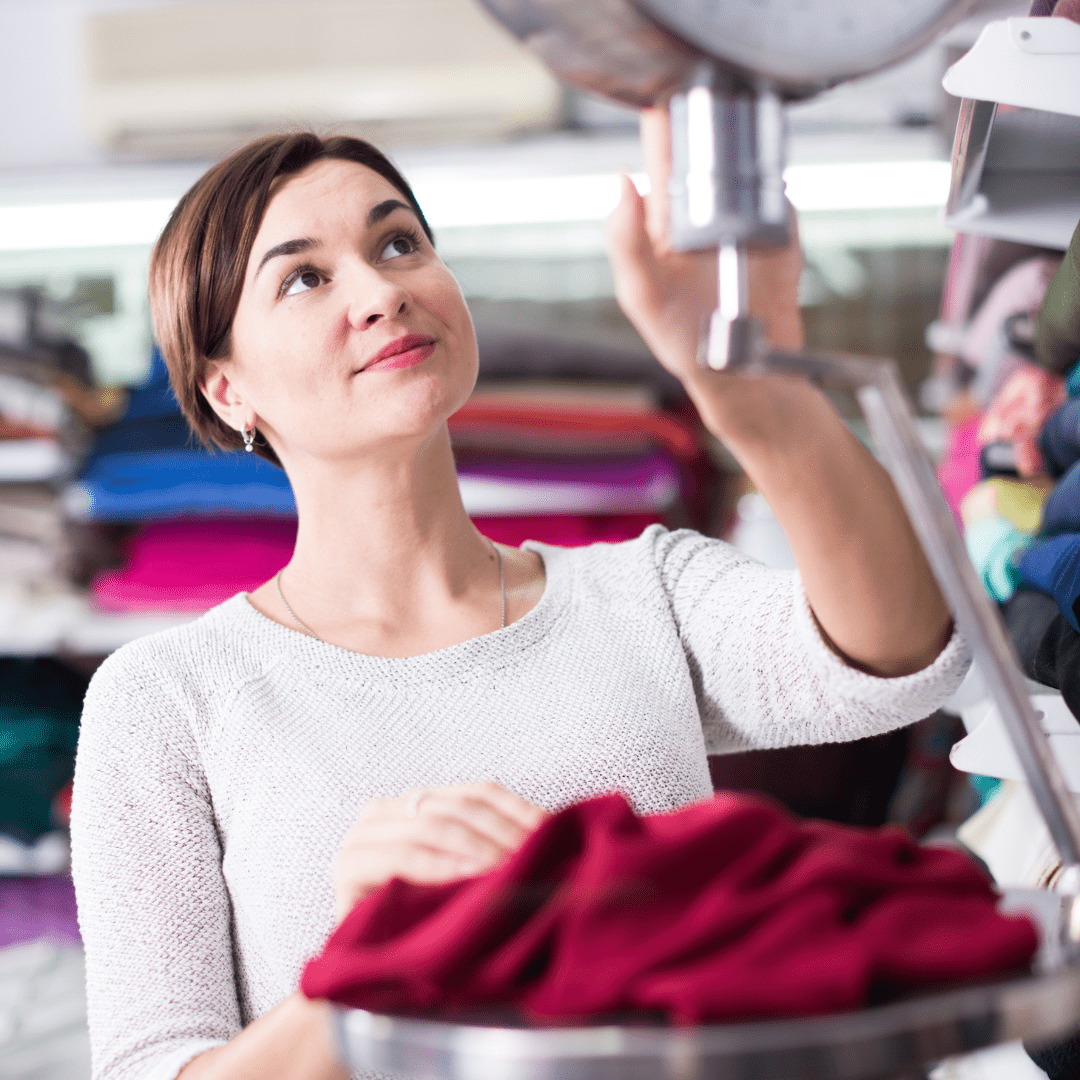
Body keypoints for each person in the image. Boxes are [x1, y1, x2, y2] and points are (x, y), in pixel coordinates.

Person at [71, 110, 968, 1080]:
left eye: (399, 242)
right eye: (304, 277)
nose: (381, 290)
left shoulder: (643, 590)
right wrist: (371, 970)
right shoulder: (165, 698)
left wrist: (759, 393)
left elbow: (900, 654)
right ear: (225, 390)